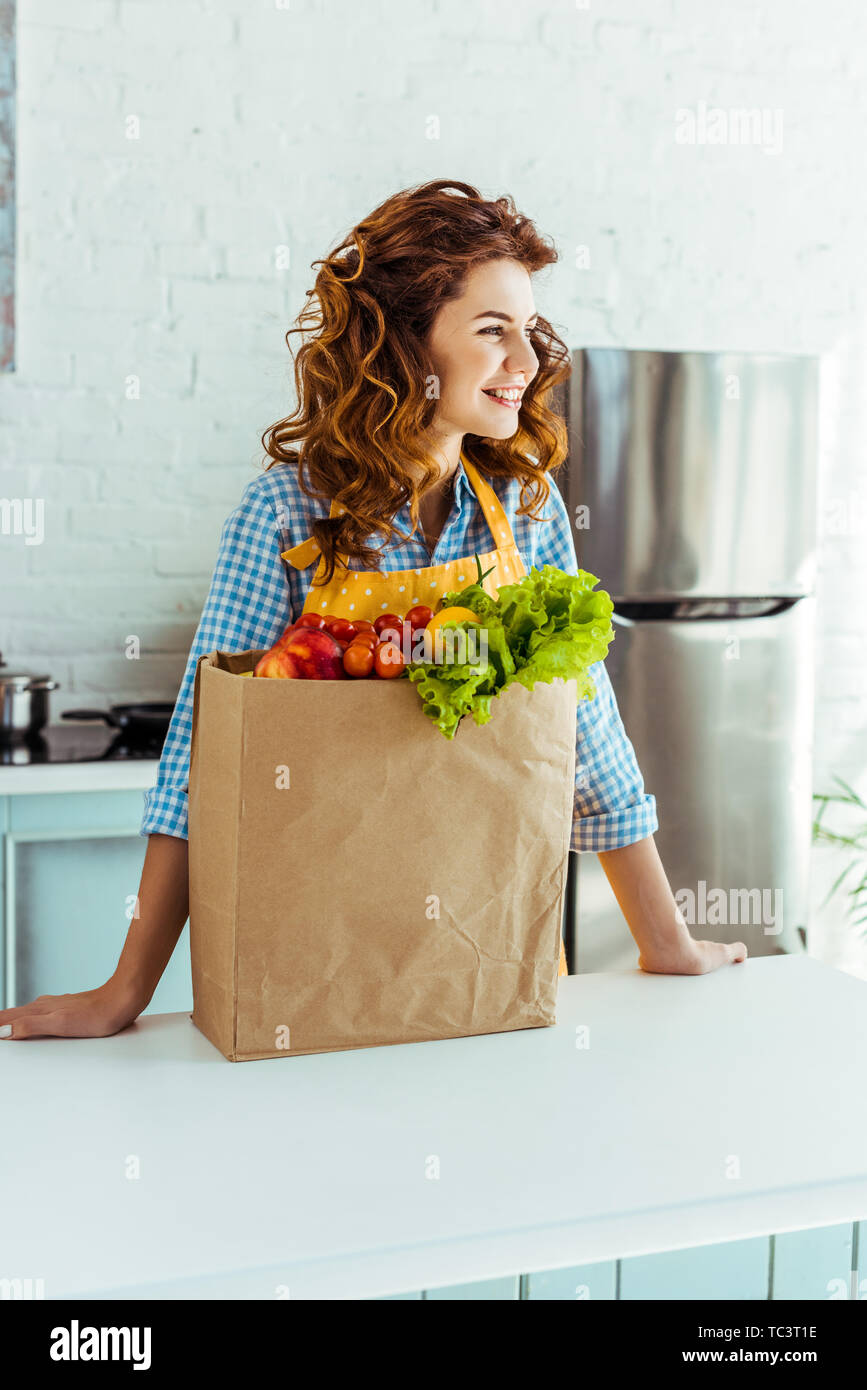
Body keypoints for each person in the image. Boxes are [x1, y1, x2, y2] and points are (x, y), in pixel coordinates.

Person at [0, 179, 746, 1043]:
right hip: (315, 975)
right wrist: (124, 989)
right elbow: (203, 761)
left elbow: (586, 725)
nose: (527, 363)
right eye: (491, 331)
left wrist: (665, 942)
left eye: (528, 331)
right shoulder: (286, 514)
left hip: (488, 969)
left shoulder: (529, 510)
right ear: (404, 346)